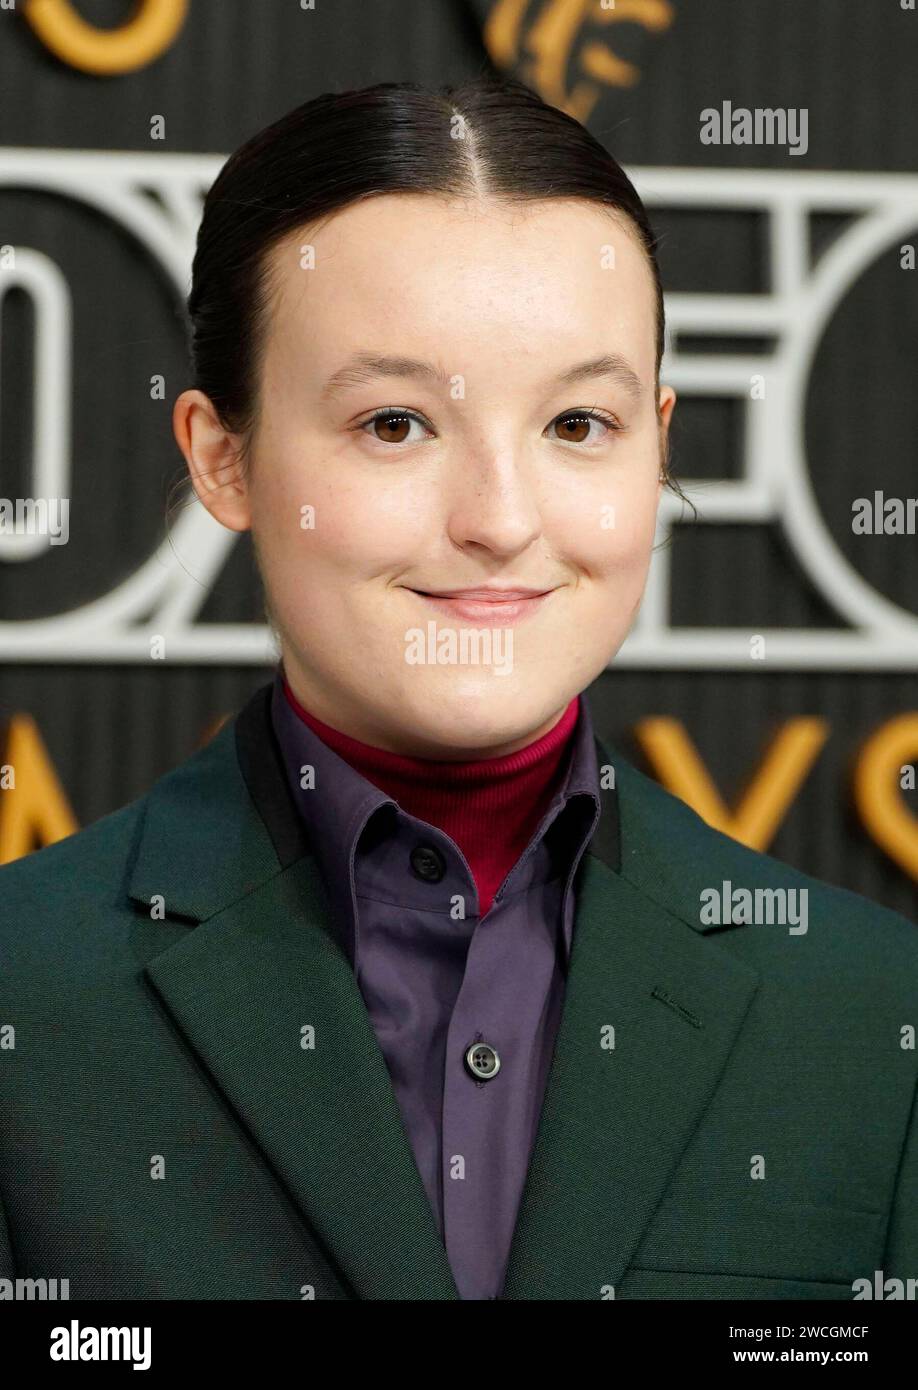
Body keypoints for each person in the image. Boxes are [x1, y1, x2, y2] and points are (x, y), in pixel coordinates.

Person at [1, 77, 916, 1302]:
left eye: (578, 424)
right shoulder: (25, 991)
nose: (499, 519)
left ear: (659, 442)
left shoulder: (871, 1013)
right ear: (224, 458)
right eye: (395, 423)